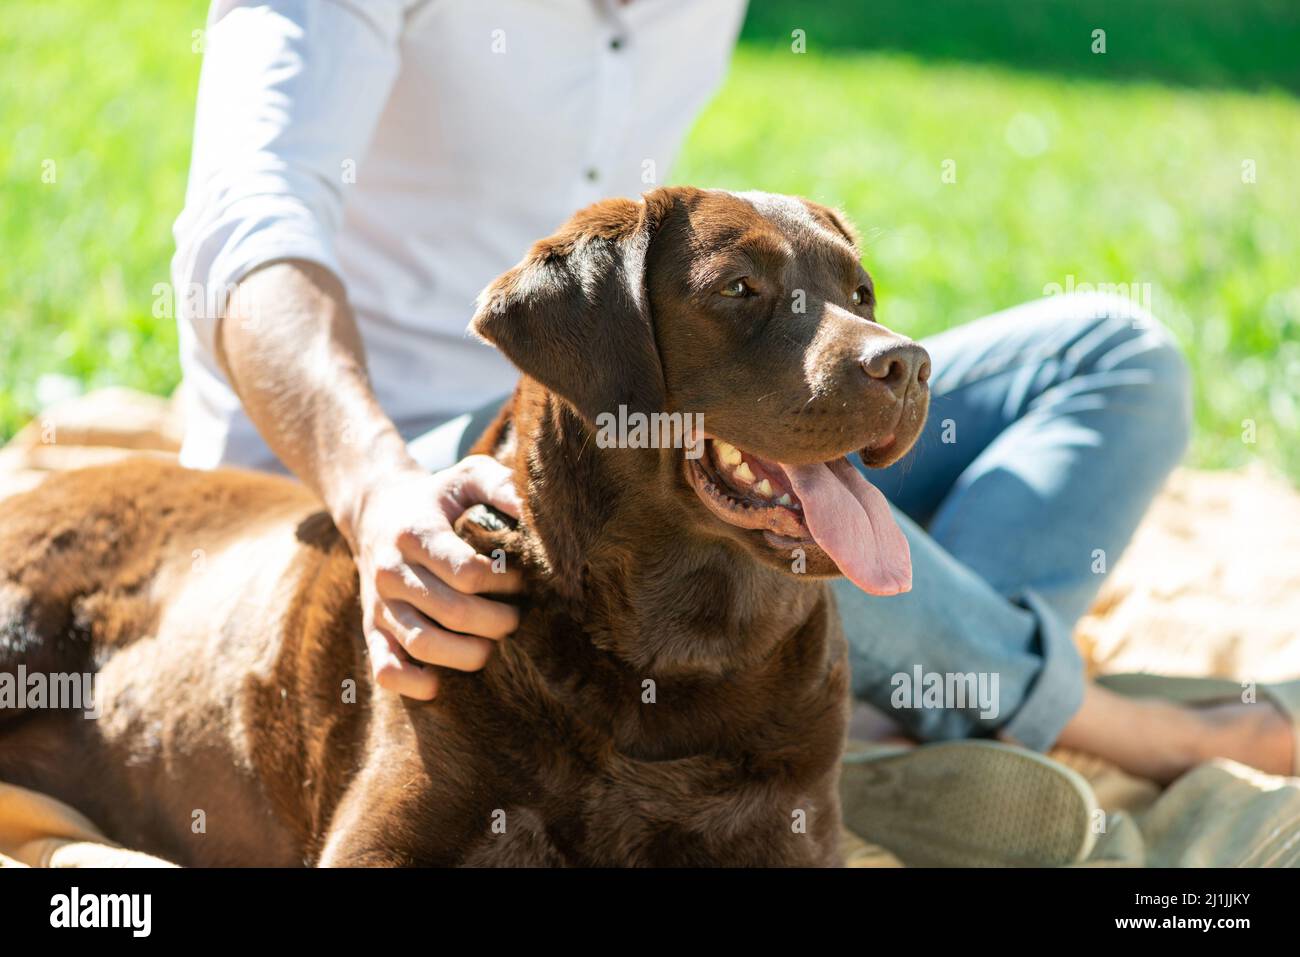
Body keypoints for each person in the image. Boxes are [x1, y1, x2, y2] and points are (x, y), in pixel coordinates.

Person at [172, 0, 1294, 785]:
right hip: (395, 453)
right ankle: (1085, 724)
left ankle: (906, 717)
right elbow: (245, 229)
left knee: (1112, 355)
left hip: (638, 392)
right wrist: (374, 496)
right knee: (698, 516)